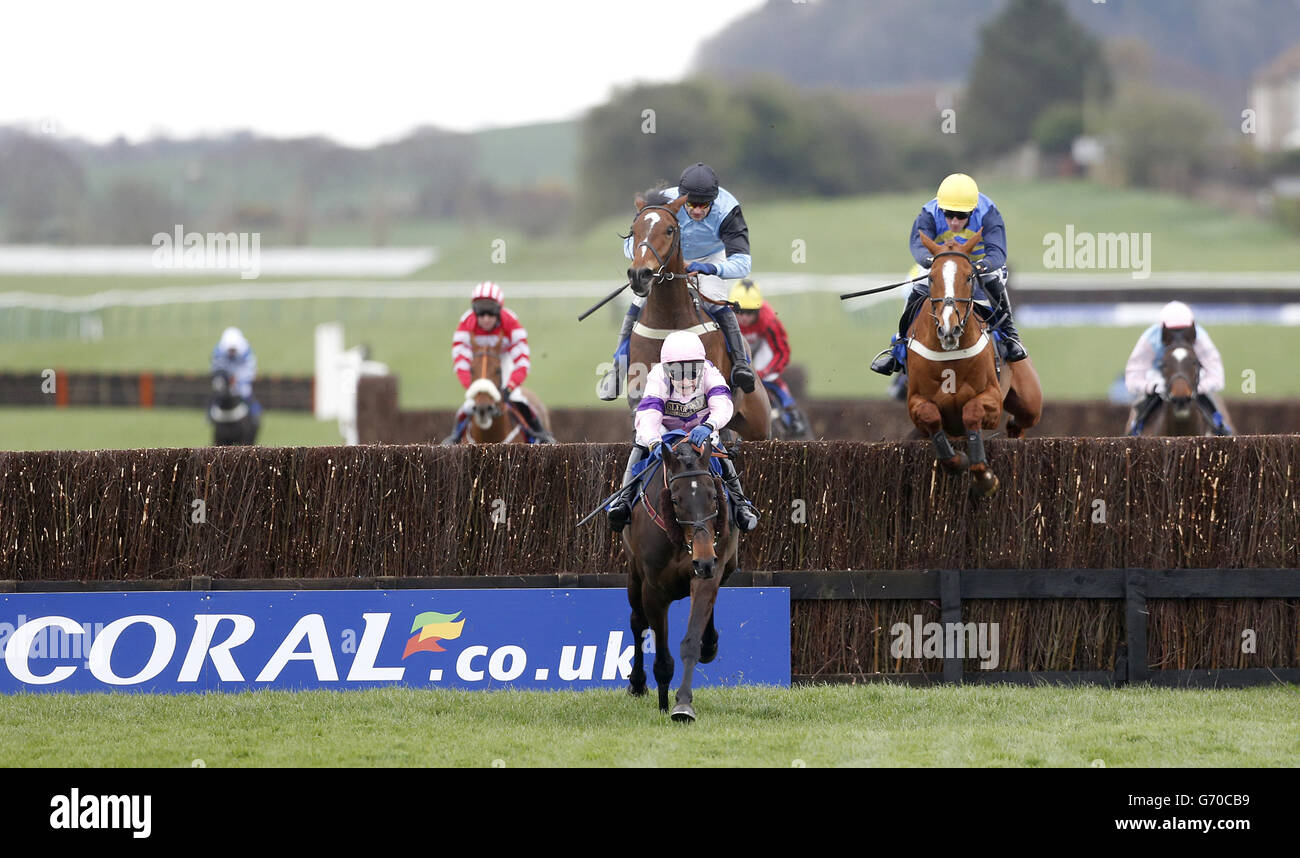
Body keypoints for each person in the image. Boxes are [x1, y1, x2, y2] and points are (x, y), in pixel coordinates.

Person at [598, 162, 756, 400]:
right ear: (683, 199)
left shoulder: (728, 209)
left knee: (716, 300)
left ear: (714, 200)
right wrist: (647, 262)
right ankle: (617, 369)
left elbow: (743, 263)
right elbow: (632, 242)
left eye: (705, 205)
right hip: (665, 258)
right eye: (692, 204)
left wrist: (708, 268)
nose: (698, 211)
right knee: (638, 303)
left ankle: (741, 364)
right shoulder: (662, 203)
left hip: (710, 258)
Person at [871, 173, 1027, 376]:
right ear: (940, 208)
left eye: (961, 216)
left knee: (992, 280)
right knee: (917, 288)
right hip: (942, 265)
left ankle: (1010, 337)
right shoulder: (928, 213)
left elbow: (997, 252)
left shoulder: (989, 213)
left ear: (973, 210)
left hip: (978, 267)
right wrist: (933, 262)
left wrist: (981, 266)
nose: (954, 222)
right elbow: (918, 246)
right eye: (948, 214)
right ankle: (899, 347)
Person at [607, 330, 760, 534]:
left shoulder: (711, 373)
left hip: (701, 428)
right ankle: (624, 500)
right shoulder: (658, 376)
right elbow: (648, 415)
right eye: (678, 373)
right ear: (667, 369)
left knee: (716, 442)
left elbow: (723, 405)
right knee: (641, 441)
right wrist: (654, 442)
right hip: (666, 429)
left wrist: (709, 425)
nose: (686, 381)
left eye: (692, 372)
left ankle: (741, 506)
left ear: (701, 367)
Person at [443, 281, 554, 444]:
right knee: (467, 405)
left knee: (518, 398)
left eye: (491, 312)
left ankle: (541, 435)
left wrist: (509, 387)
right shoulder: (466, 323)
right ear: (474, 311)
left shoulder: (511, 322)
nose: (486, 318)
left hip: (503, 362)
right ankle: (455, 437)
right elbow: (461, 362)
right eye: (481, 312)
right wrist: (472, 387)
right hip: (478, 366)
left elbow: (522, 361)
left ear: (499, 310)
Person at [1123, 300, 1232, 435]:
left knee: (1216, 404)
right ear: (1163, 330)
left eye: (1183, 331)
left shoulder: (1201, 338)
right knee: (1137, 408)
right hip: (1158, 376)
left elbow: (1216, 376)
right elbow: (1133, 377)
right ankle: (1134, 432)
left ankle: (1223, 430)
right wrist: (1151, 387)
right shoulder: (1149, 339)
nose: (1178, 337)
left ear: (1191, 329)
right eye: (1172, 332)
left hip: (1194, 377)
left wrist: (1198, 388)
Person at [729, 278, 810, 436]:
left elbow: (782, 351)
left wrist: (765, 372)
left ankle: (792, 414)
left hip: (760, 347)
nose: (744, 317)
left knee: (766, 376)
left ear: (759, 310)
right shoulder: (725, 316)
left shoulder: (769, 320)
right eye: (740, 311)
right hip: (737, 348)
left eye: (750, 312)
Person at [210, 326, 260, 419]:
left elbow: (249, 368)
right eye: (230, 350)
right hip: (226, 374)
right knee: (218, 390)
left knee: (245, 391)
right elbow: (217, 368)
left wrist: (238, 380)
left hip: (241, 374)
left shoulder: (245, 351)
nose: (231, 352)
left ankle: (255, 415)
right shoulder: (219, 351)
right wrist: (226, 378)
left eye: (233, 350)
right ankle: (210, 414)